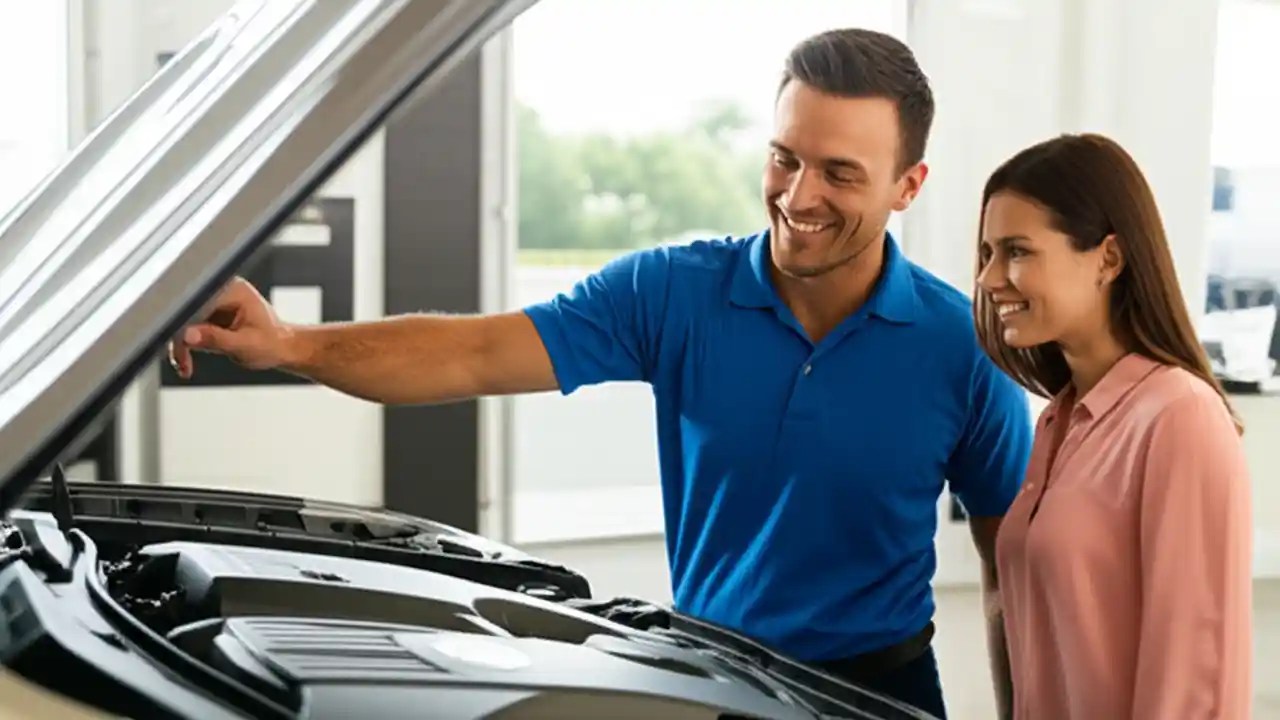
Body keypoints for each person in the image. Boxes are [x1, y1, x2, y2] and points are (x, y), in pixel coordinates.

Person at [170, 28, 1033, 717]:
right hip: (709, 683)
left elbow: (1013, 575)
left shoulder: (965, 347)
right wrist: (287, 343)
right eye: (784, 156)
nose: (798, 196)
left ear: (908, 186)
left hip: (875, 696)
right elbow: (469, 350)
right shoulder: (673, 294)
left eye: (840, 173)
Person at [973, 133, 1253, 720]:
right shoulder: (1059, 420)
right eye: (988, 254)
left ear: (1108, 258)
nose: (990, 278)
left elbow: (1193, 685)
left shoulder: (1180, 418)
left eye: (1017, 251)